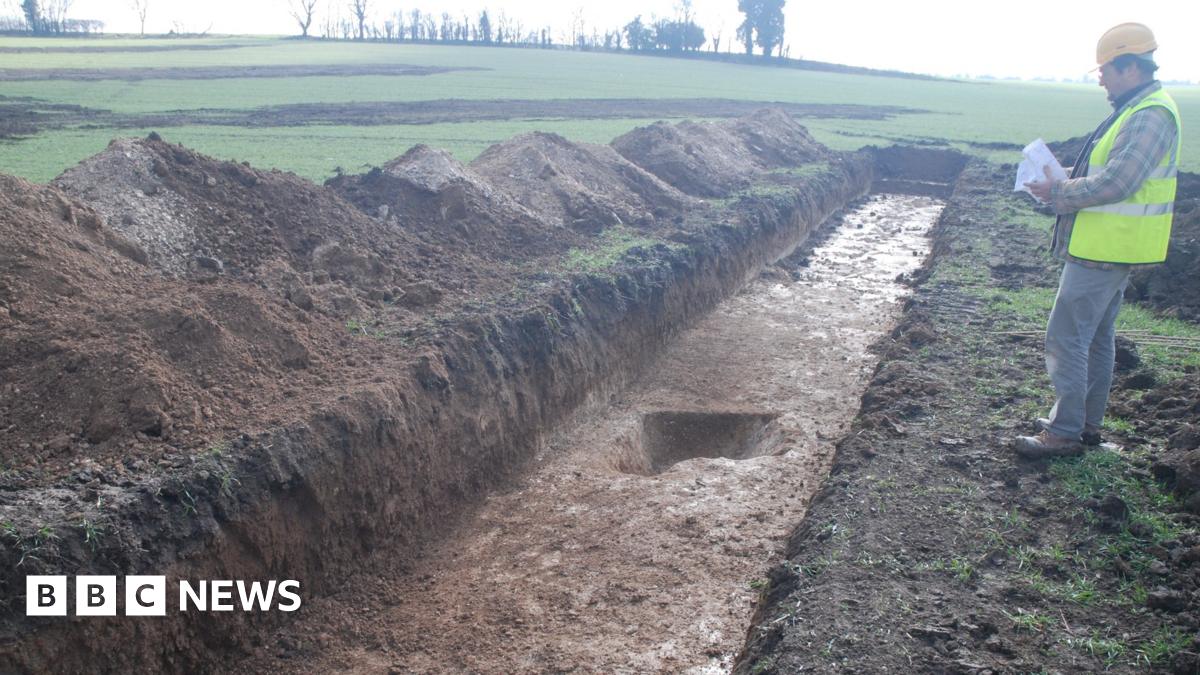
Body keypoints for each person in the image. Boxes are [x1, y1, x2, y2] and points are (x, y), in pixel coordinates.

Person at [1014, 22, 1182, 458]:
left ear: (1130, 67)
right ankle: (1084, 425)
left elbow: (1119, 182)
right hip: (1109, 246)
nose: (1101, 77)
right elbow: (1113, 171)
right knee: (1094, 337)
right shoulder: (1137, 108)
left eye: (1105, 69)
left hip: (1106, 248)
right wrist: (1065, 178)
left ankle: (1065, 431)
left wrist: (1060, 192)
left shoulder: (1150, 114)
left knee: (1066, 336)